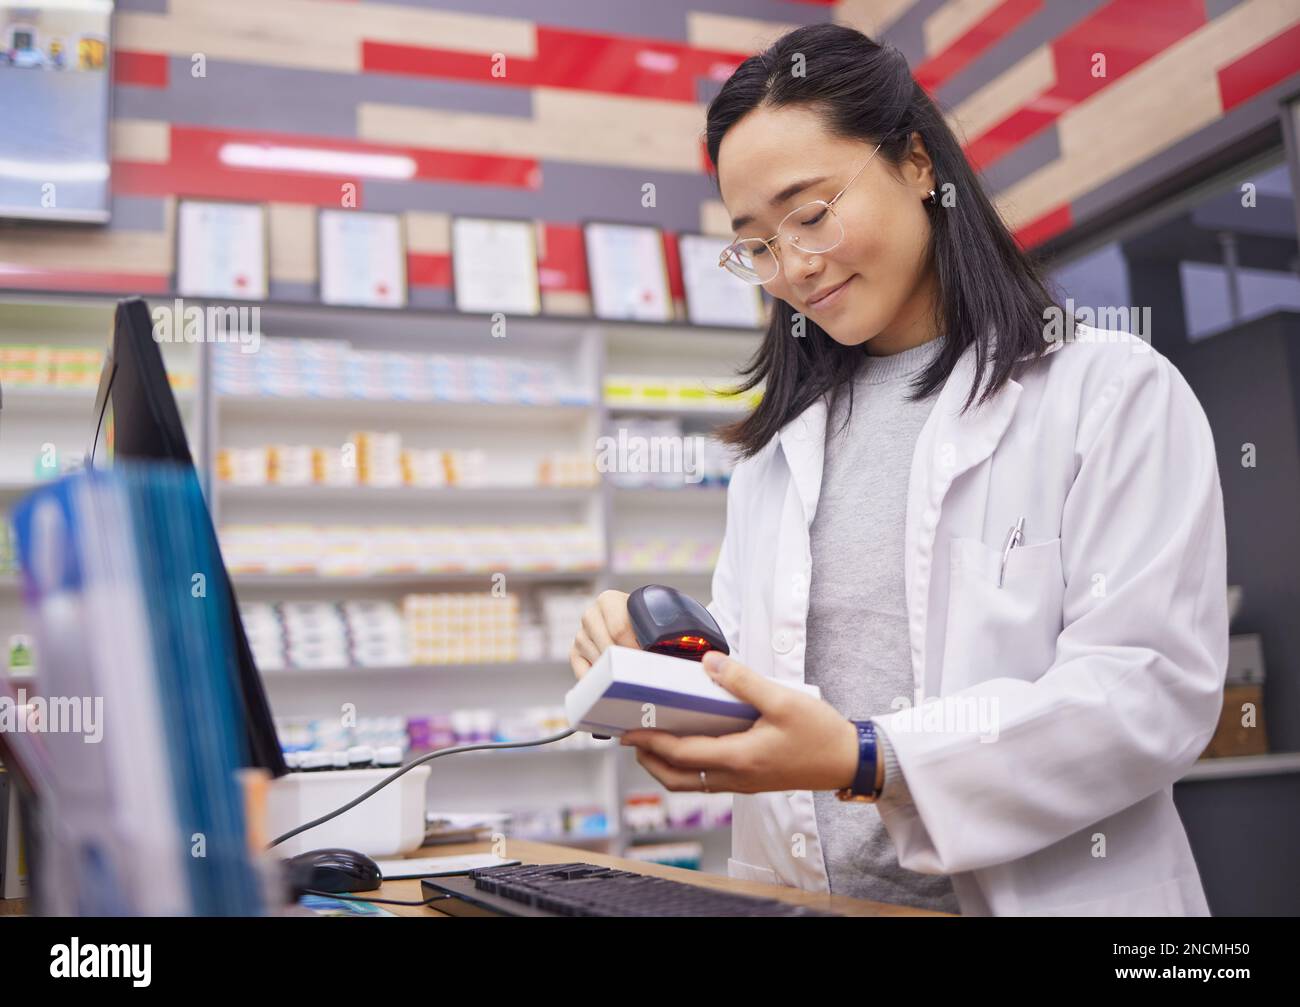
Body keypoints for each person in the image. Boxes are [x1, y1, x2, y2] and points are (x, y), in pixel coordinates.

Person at [570, 23, 1227, 917]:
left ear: (917, 162)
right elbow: (776, 681)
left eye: (810, 213)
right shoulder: (777, 456)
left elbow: (1149, 692)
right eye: (756, 244)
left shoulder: (1108, 393)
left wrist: (868, 756)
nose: (793, 267)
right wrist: (664, 674)